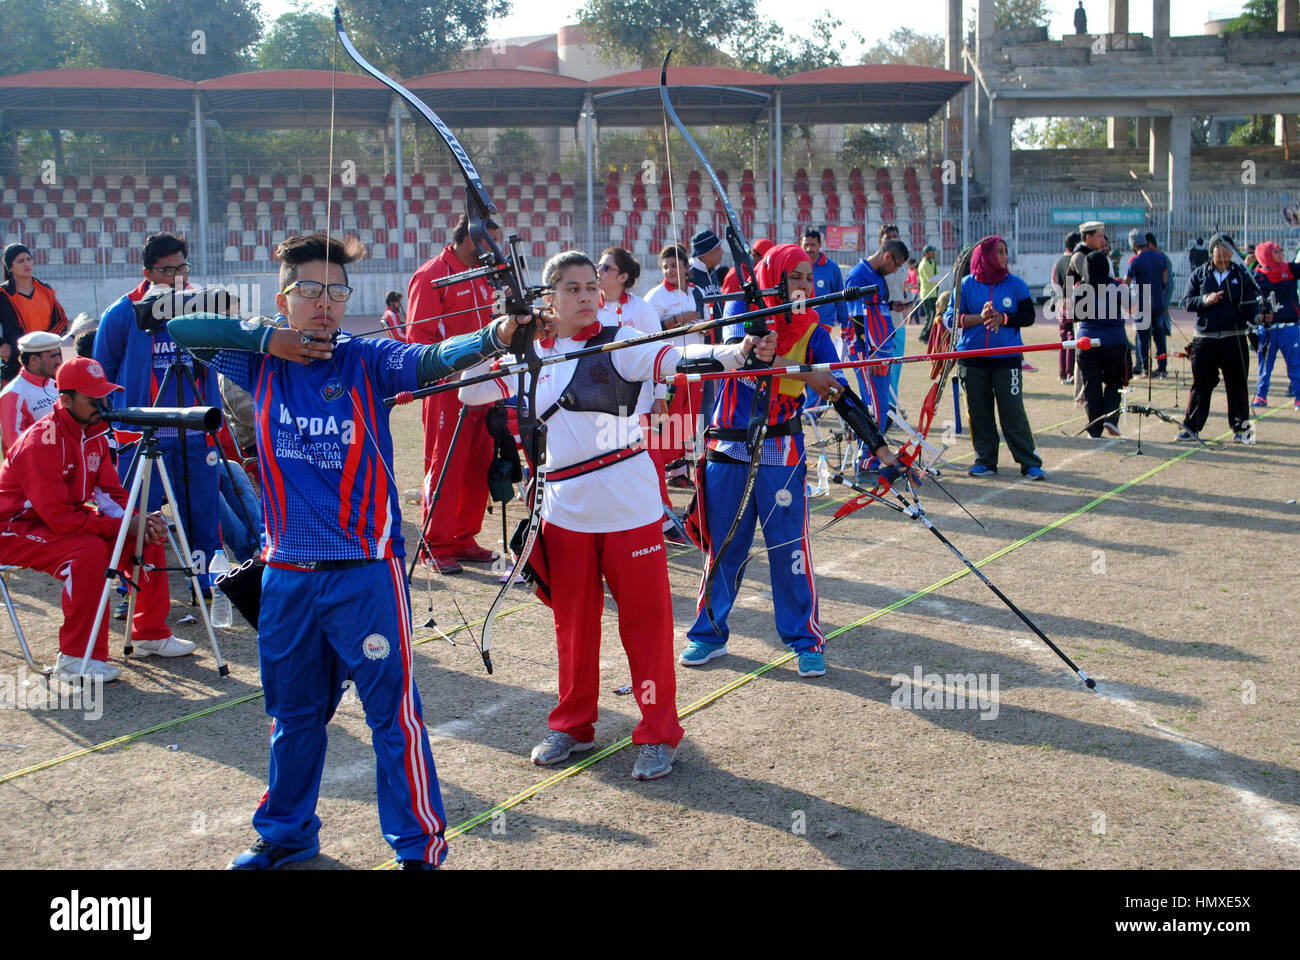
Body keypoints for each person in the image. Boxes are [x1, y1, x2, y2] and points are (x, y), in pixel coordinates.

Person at [169, 232, 527, 870]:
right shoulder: (260, 361)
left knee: (393, 718)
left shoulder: (364, 359)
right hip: (285, 576)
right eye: (310, 291)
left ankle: (418, 851)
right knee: (293, 717)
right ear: (284, 299)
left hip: (365, 575)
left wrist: (496, 335)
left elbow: (431, 359)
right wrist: (264, 340)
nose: (325, 304)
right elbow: (183, 327)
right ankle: (286, 836)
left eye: (337, 291)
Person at [458, 250, 776, 779]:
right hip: (563, 515)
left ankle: (657, 731)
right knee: (573, 626)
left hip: (630, 512)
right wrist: (500, 336)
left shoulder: (622, 340)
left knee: (646, 627)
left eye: (591, 287)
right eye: (573, 289)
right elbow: (470, 391)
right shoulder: (529, 356)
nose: (587, 297)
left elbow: (683, 359)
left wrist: (741, 350)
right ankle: (573, 724)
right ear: (547, 300)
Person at [679, 243, 904, 679]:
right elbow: (741, 361)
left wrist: (881, 449)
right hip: (728, 450)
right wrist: (804, 372)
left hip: (781, 450)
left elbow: (839, 392)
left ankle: (804, 639)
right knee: (724, 546)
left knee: (789, 550)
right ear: (774, 279)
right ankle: (707, 634)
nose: (806, 285)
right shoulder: (744, 316)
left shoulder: (815, 332)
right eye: (795, 277)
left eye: (809, 277)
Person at [0, 356, 193, 681]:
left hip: (54, 522)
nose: (103, 405)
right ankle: (75, 659)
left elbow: (111, 493)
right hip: (12, 529)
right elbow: (61, 519)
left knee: (147, 533)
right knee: (88, 552)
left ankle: (149, 633)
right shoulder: (40, 442)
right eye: (94, 398)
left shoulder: (93, 431)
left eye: (105, 395)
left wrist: (138, 519)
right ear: (65, 400)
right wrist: (124, 523)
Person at [93, 233, 222, 601]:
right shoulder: (123, 312)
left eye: (183, 267)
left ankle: (206, 581)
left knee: (202, 515)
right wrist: (111, 428)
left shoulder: (202, 305)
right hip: (143, 433)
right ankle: (130, 584)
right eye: (168, 270)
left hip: (195, 430)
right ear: (147, 272)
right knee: (137, 514)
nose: (177, 276)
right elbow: (102, 370)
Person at [405, 214, 503, 574]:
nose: (497, 249)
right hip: (448, 387)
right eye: (491, 241)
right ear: (472, 238)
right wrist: (453, 371)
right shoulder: (433, 274)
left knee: (478, 463)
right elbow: (417, 338)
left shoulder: (483, 274)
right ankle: (436, 543)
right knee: (444, 464)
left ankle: (463, 537)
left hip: (485, 383)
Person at [596, 245, 680, 541]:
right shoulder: (589, 306)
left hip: (639, 400)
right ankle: (618, 521)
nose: (599, 272)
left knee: (649, 459)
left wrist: (660, 395)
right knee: (609, 461)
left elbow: (659, 352)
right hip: (598, 403)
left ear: (624, 276)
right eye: (600, 266)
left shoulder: (641, 309)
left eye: (606, 268)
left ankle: (664, 518)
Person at [945, 236, 1046, 478]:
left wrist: (1004, 318)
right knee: (979, 412)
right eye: (997, 252)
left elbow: (1028, 316)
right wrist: (981, 318)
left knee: (1012, 411)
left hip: (1007, 359)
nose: (1002, 257)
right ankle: (985, 461)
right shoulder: (966, 285)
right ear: (984, 256)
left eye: (1004, 252)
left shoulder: (1016, 284)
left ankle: (1029, 462)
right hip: (972, 359)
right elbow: (950, 319)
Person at [1180, 234, 1260, 443]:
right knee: (1201, 385)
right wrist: (1205, 299)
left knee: (1238, 386)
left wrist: (1260, 317)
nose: (1225, 252)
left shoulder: (1242, 276)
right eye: (1220, 248)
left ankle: (1242, 431)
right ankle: (1191, 428)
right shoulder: (1200, 274)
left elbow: (1251, 306)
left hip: (1234, 339)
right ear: (1212, 251)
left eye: (1229, 248)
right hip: (1205, 339)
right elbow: (1187, 301)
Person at [644, 244, 707, 490]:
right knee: (672, 417)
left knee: (689, 416)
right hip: (670, 365)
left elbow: (706, 318)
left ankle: (681, 468)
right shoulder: (656, 296)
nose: (670, 270)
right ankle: (672, 469)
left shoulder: (696, 291)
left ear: (686, 267)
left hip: (696, 361)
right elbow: (650, 331)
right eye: (665, 266)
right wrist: (676, 320)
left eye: (674, 265)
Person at [843, 237, 909, 448]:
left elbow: (873, 308)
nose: (896, 271)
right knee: (873, 408)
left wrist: (890, 305)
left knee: (882, 407)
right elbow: (856, 318)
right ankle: (867, 459)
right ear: (887, 256)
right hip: (869, 353)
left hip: (882, 349)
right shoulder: (857, 276)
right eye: (896, 265)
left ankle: (872, 456)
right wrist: (868, 356)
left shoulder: (879, 277)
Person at [1074, 249, 1131, 438]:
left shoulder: (1080, 288)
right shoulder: (1116, 287)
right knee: (1116, 381)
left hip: (1087, 342)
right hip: (1114, 341)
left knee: (1092, 384)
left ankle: (1094, 428)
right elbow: (1131, 307)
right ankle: (1110, 418)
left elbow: (1073, 314)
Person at [0, 243, 70, 384]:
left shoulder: (45, 290)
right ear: (10, 267)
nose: (26, 264)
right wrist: (2, 346)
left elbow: (62, 321)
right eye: (20, 261)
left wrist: (44, 344)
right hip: (17, 363)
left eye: (28, 259)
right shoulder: (3, 294)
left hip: (48, 363)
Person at [1250, 241, 1299, 409]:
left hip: (1289, 326)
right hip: (1268, 329)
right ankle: (1261, 396)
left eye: (1281, 250)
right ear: (1266, 255)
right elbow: (1249, 297)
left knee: (1295, 363)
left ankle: (1299, 397)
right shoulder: (1256, 276)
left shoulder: (1290, 269)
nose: (1281, 254)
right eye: (1276, 251)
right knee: (1265, 365)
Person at [0, 330, 61, 454]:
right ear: (33, 360)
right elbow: (14, 442)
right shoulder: (13, 394)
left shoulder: (54, 385)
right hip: (34, 469)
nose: (59, 360)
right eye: (53, 356)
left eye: (59, 355)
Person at [1125, 229, 1170, 377]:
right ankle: (1162, 367)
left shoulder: (1134, 261)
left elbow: (1127, 281)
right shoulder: (1160, 257)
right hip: (1158, 302)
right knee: (1159, 336)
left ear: (1133, 244)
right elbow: (1164, 279)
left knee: (1143, 338)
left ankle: (1146, 368)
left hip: (1141, 305)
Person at [800, 228, 848, 354]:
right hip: (800, 325)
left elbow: (840, 297)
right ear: (801, 244)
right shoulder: (795, 267)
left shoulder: (832, 268)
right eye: (806, 245)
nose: (809, 248)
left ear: (820, 245)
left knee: (822, 361)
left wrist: (844, 324)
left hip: (824, 324)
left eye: (813, 245)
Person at [1052, 231, 1081, 385]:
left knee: (1063, 338)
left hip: (1059, 304)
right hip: (1070, 304)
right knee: (1071, 339)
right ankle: (1070, 373)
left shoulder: (1057, 262)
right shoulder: (1074, 261)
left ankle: (1062, 373)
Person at [917, 244, 940, 342]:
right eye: (932, 252)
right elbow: (930, 279)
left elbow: (936, 276)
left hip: (934, 293)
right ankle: (923, 336)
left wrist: (937, 278)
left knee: (934, 314)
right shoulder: (923, 264)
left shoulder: (933, 263)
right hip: (927, 294)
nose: (934, 253)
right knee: (930, 315)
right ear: (926, 253)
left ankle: (930, 335)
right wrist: (938, 278)